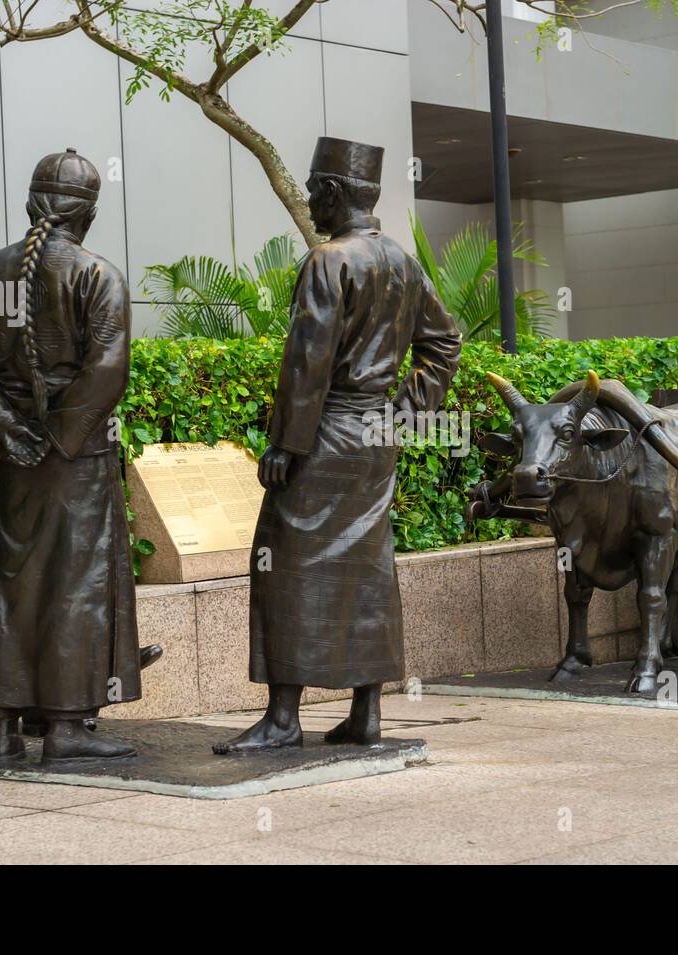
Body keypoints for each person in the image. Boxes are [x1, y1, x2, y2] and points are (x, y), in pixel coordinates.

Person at [214, 137, 462, 754]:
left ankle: (282, 717)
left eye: (312, 186)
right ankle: (366, 712)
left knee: (286, 565)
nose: (306, 197)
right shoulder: (402, 261)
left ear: (334, 191)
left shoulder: (328, 260)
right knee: (367, 569)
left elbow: (307, 362)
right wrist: (404, 415)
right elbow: (445, 343)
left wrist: (286, 444)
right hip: (374, 437)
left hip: (324, 435)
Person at [0, 149, 141, 763]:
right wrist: (59, 439)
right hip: (77, 457)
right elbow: (107, 371)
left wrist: (10, 436)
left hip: (17, 462)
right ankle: (63, 727)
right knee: (76, 584)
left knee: (13, 583)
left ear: (32, 203)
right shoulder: (98, 275)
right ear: (87, 213)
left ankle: (3, 730)